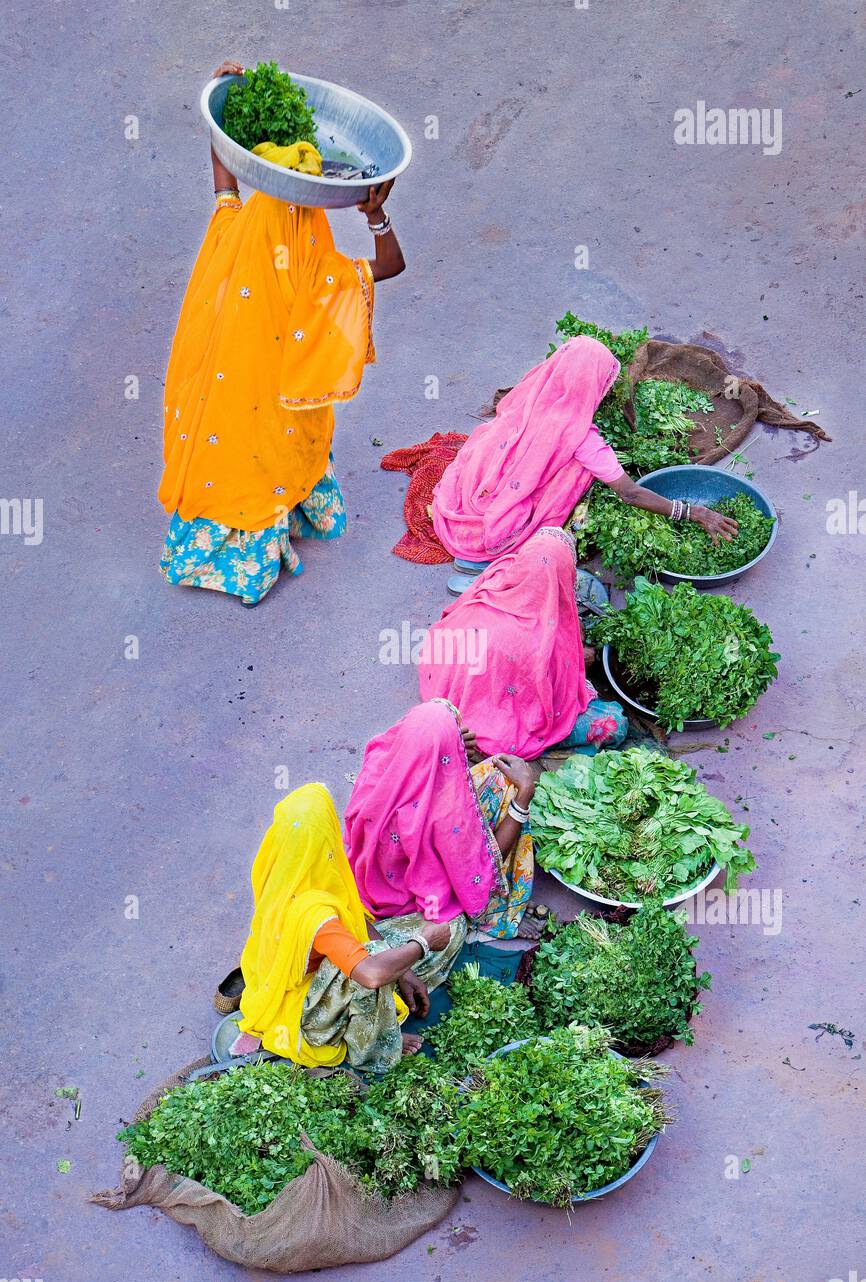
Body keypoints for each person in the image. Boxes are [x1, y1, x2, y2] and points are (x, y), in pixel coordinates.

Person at [158, 61, 407, 605]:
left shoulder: (233, 232)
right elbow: (388, 267)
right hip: (274, 391)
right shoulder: (314, 265)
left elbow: (225, 180)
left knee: (232, 456)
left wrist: (223, 111)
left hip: (221, 388)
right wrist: (376, 216)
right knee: (272, 451)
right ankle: (272, 540)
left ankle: (222, 551)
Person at [431, 335, 738, 563]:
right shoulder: (581, 437)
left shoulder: (530, 396)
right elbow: (629, 493)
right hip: (493, 526)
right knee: (580, 471)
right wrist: (693, 512)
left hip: (469, 497)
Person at [229, 784, 464, 1071]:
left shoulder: (283, 872)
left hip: (289, 982)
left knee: (428, 933)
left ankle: (391, 977)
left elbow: (356, 921)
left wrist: (405, 970)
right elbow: (371, 975)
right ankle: (377, 1047)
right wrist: (422, 944)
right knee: (371, 965)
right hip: (306, 1016)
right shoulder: (316, 914)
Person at [417, 526, 627, 759]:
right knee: (614, 724)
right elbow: (545, 692)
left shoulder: (499, 573)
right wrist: (582, 657)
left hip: (448, 675)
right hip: (492, 721)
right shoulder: (542, 641)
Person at [344, 698, 539, 940]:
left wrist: (451, 745)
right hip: (407, 897)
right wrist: (523, 797)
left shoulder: (378, 761)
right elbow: (479, 876)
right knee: (507, 786)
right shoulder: (443, 818)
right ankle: (498, 915)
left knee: (494, 774)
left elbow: (426, 739)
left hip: (371, 879)